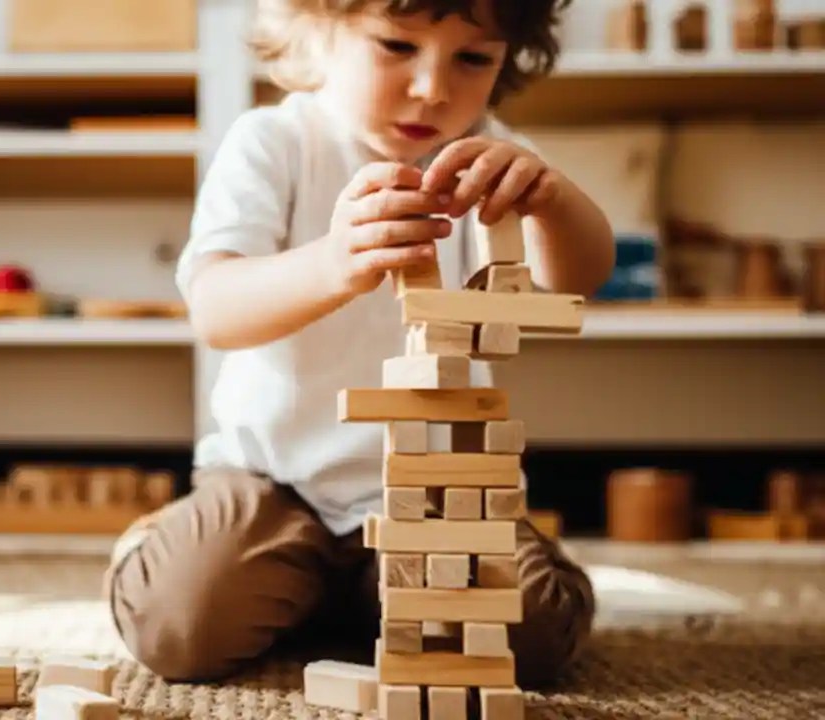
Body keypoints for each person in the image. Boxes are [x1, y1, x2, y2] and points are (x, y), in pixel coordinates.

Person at [105, 0, 613, 688]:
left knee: (527, 643)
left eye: (472, 59)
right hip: (274, 481)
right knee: (180, 626)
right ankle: (178, 548)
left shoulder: (494, 163)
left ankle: (363, 594)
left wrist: (553, 202)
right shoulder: (274, 141)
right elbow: (216, 308)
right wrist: (333, 263)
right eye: (396, 46)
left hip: (438, 489)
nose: (432, 88)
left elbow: (575, 281)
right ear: (314, 30)